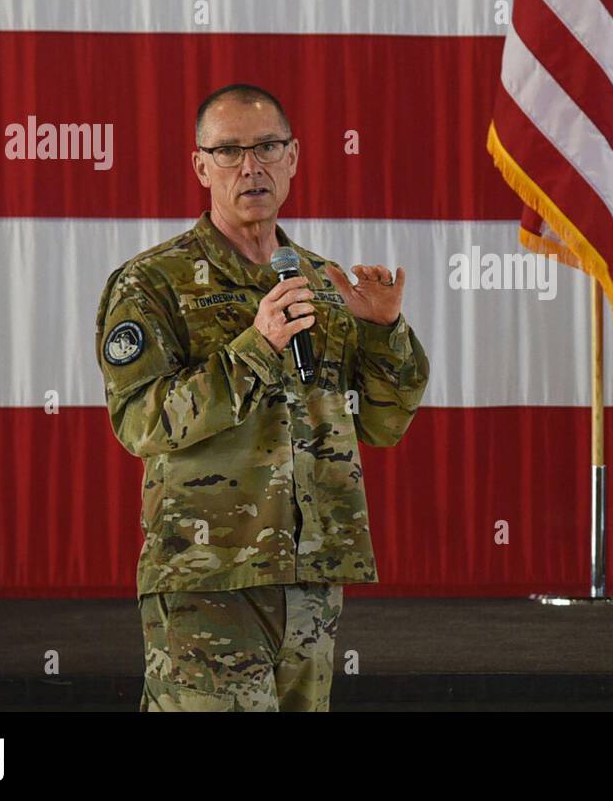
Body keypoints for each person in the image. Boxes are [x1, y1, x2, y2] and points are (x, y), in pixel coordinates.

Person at [94, 83, 430, 711]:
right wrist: (256, 347)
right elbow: (141, 422)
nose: (251, 167)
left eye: (267, 147)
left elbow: (384, 426)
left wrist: (385, 334)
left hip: (313, 574)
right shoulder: (152, 282)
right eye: (228, 152)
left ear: (294, 156)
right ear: (200, 165)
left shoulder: (323, 281)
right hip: (208, 575)